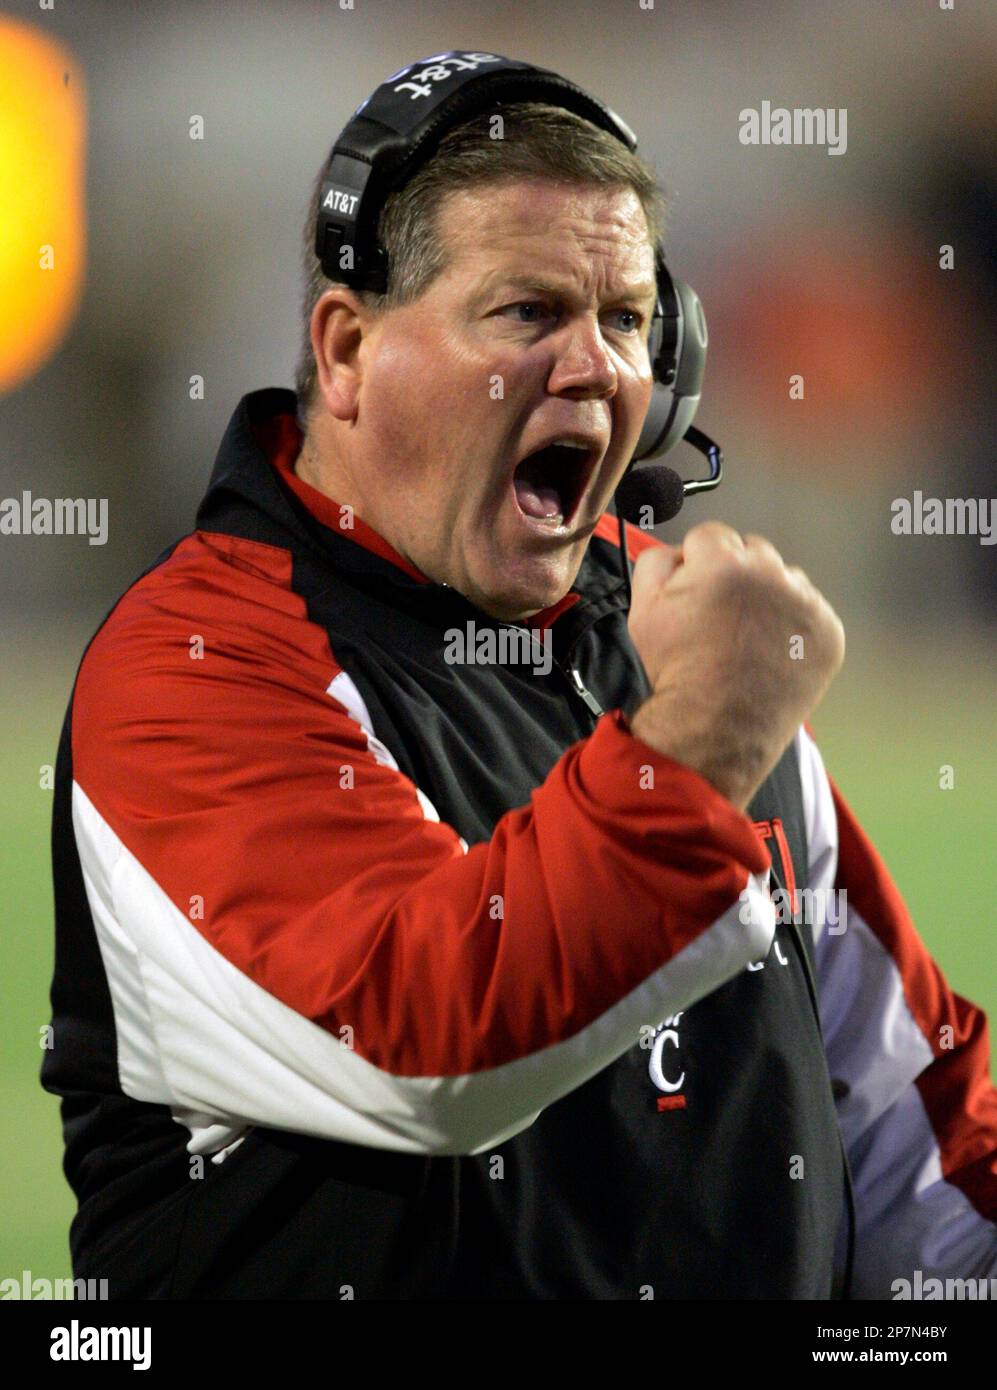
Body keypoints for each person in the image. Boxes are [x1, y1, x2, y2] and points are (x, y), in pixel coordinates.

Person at [42, 80, 997, 1300]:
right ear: (347, 353)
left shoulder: (673, 636)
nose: (595, 366)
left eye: (628, 318)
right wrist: (699, 739)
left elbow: (920, 1159)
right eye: (527, 311)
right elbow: (431, 1048)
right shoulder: (195, 663)